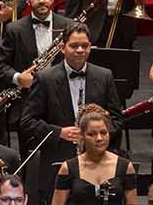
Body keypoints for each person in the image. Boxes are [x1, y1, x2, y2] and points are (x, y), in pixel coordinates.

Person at [20, 25, 124, 154]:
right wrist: (60, 133)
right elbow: (28, 122)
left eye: (85, 46)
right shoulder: (45, 79)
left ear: (90, 47)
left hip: (96, 156)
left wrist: (95, 134)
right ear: (63, 48)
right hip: (58, 154)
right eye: (74, 46)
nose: (80, 50)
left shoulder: (105, 76)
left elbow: (117, 121)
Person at [51, 106, 140, 205]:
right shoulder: (68, 167)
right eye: (92, 134)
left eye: (103, 133)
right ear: (81, 136)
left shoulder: (125, 166)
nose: (99, 138)